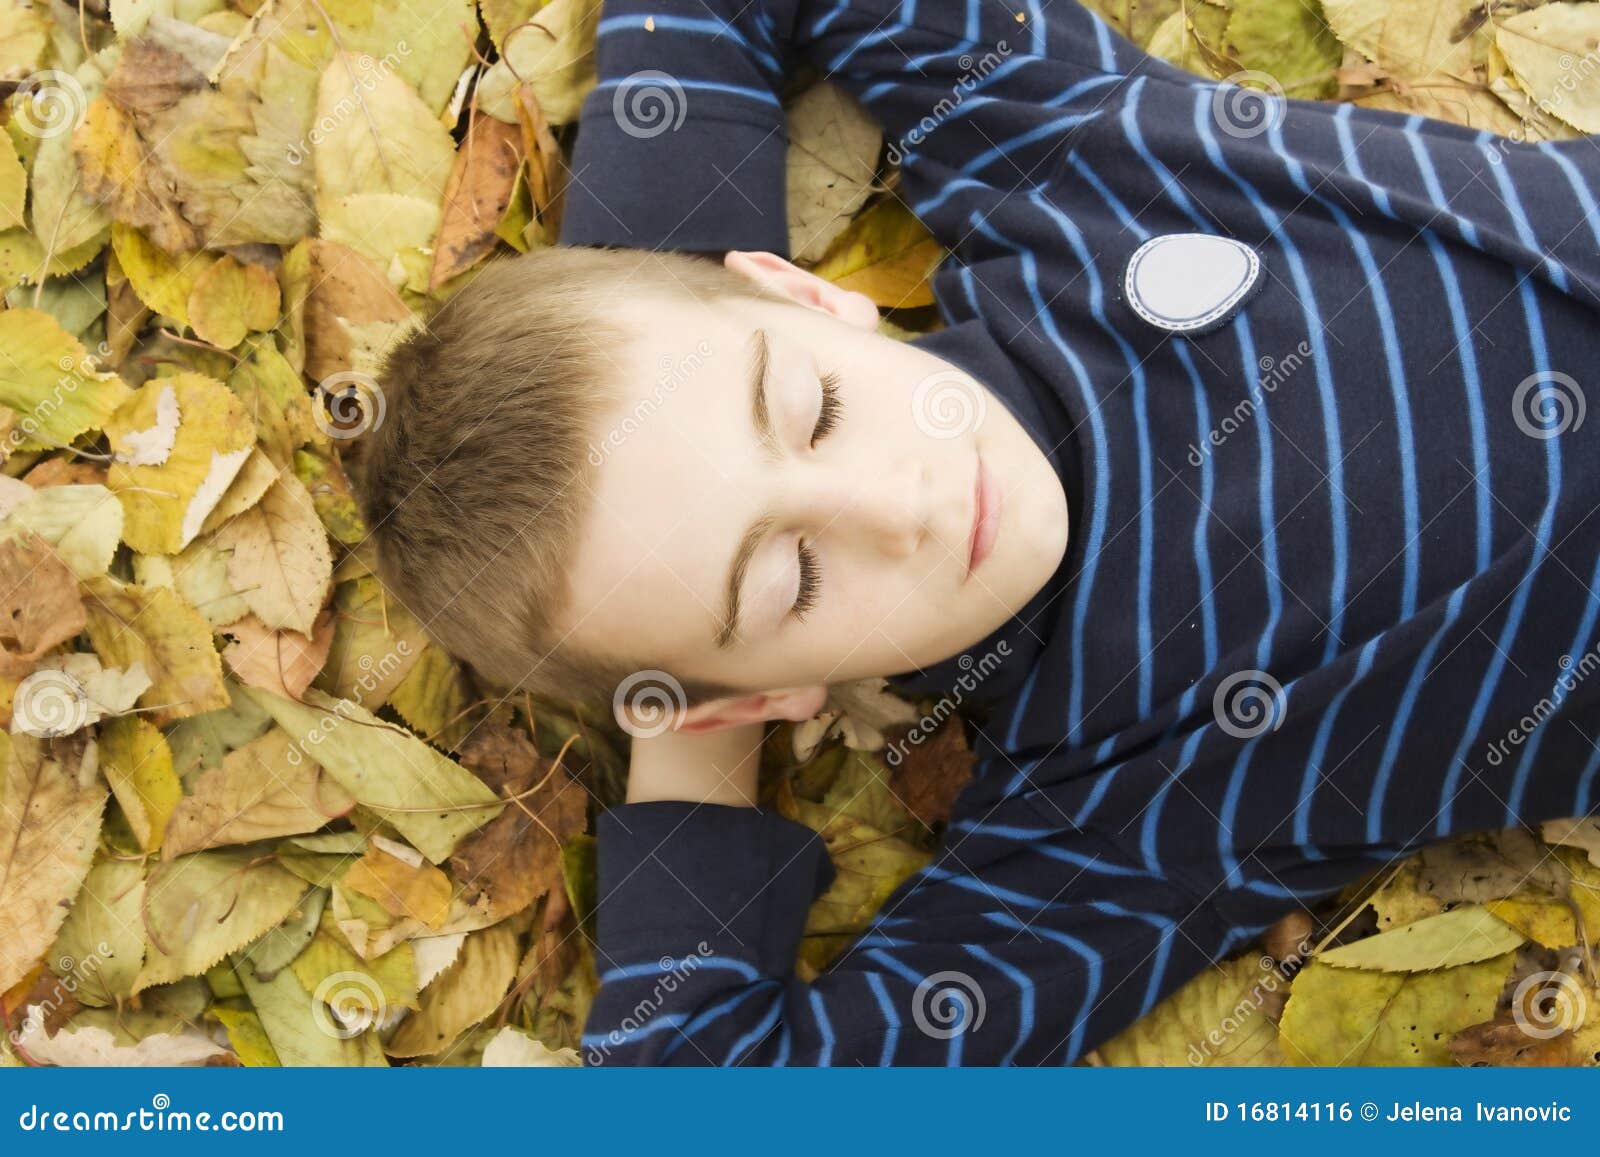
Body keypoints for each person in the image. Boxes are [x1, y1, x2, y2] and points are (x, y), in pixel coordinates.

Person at [359, 0, 1600, 1064]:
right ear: (757, 698)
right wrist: (687, 714)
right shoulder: (1103, 815)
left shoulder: (1058, 154)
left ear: (799, 291)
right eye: (792, 575)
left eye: (814, 409)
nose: (902, 505)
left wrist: (664, 281)